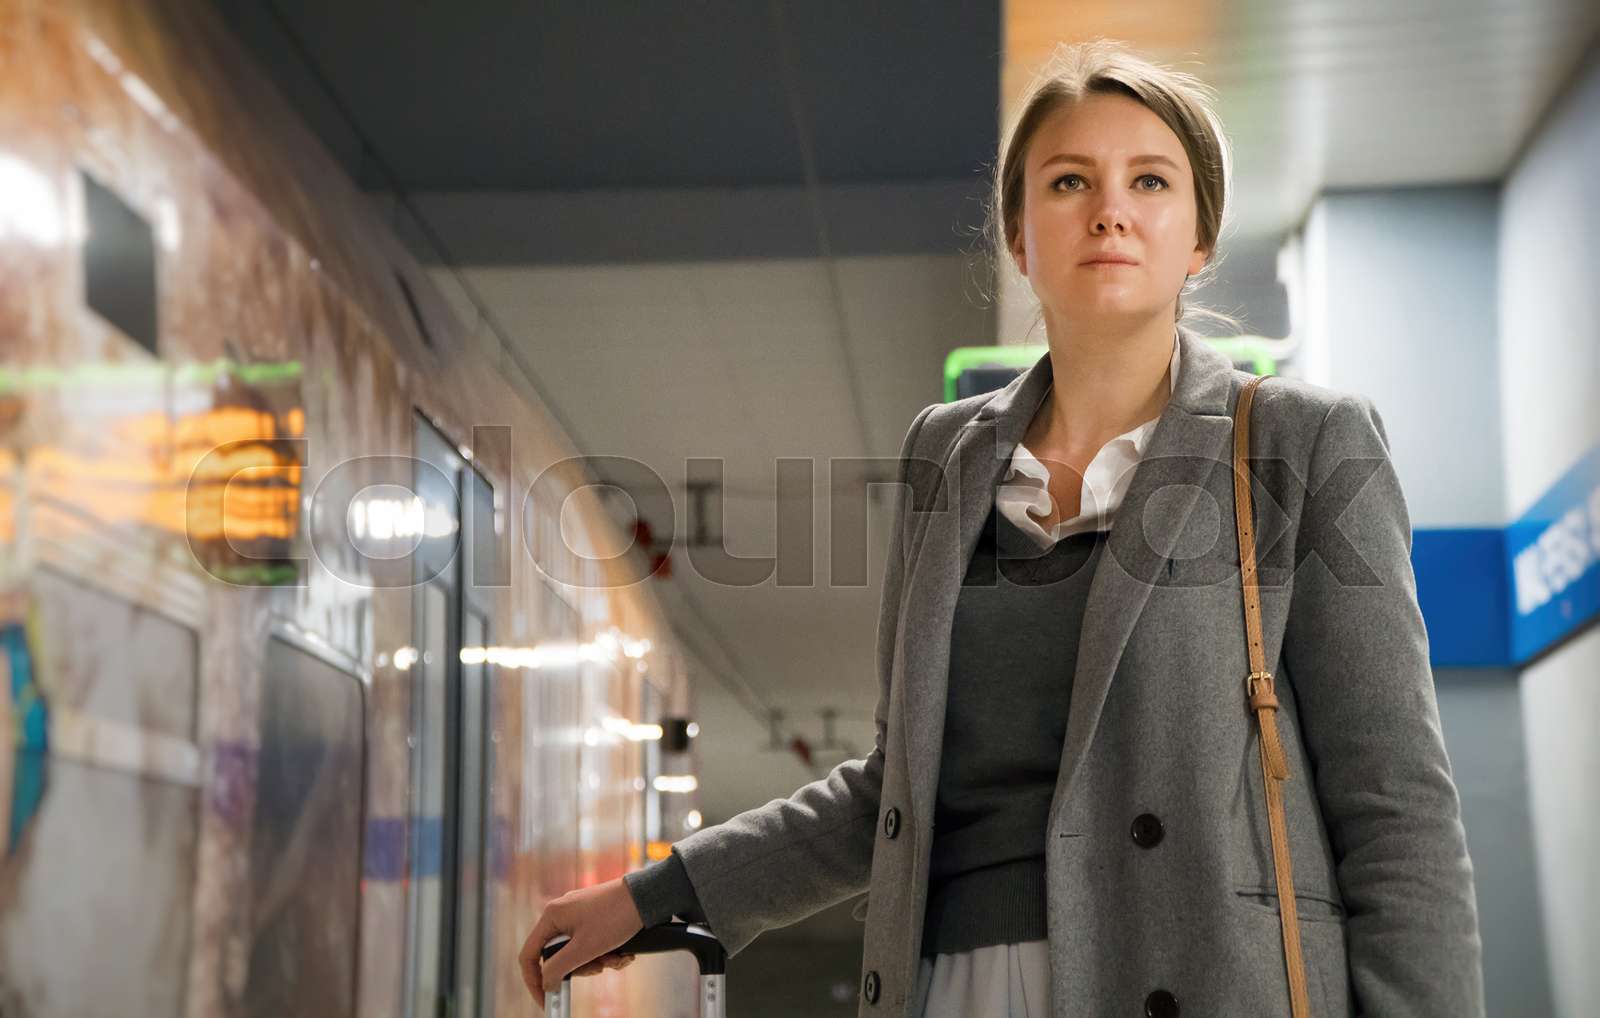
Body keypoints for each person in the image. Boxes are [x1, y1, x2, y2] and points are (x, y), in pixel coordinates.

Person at [521, 38, 1485, 1017]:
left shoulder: (1300, 443)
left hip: (1204, 981)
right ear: (1019, 237)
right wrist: (657, 894)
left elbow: (1395, 808)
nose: (1109, 209)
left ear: (1199, 236)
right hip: (957, 984)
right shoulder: (947, 455)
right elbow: (894, 794)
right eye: (1069, 181)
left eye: (1150, 180)